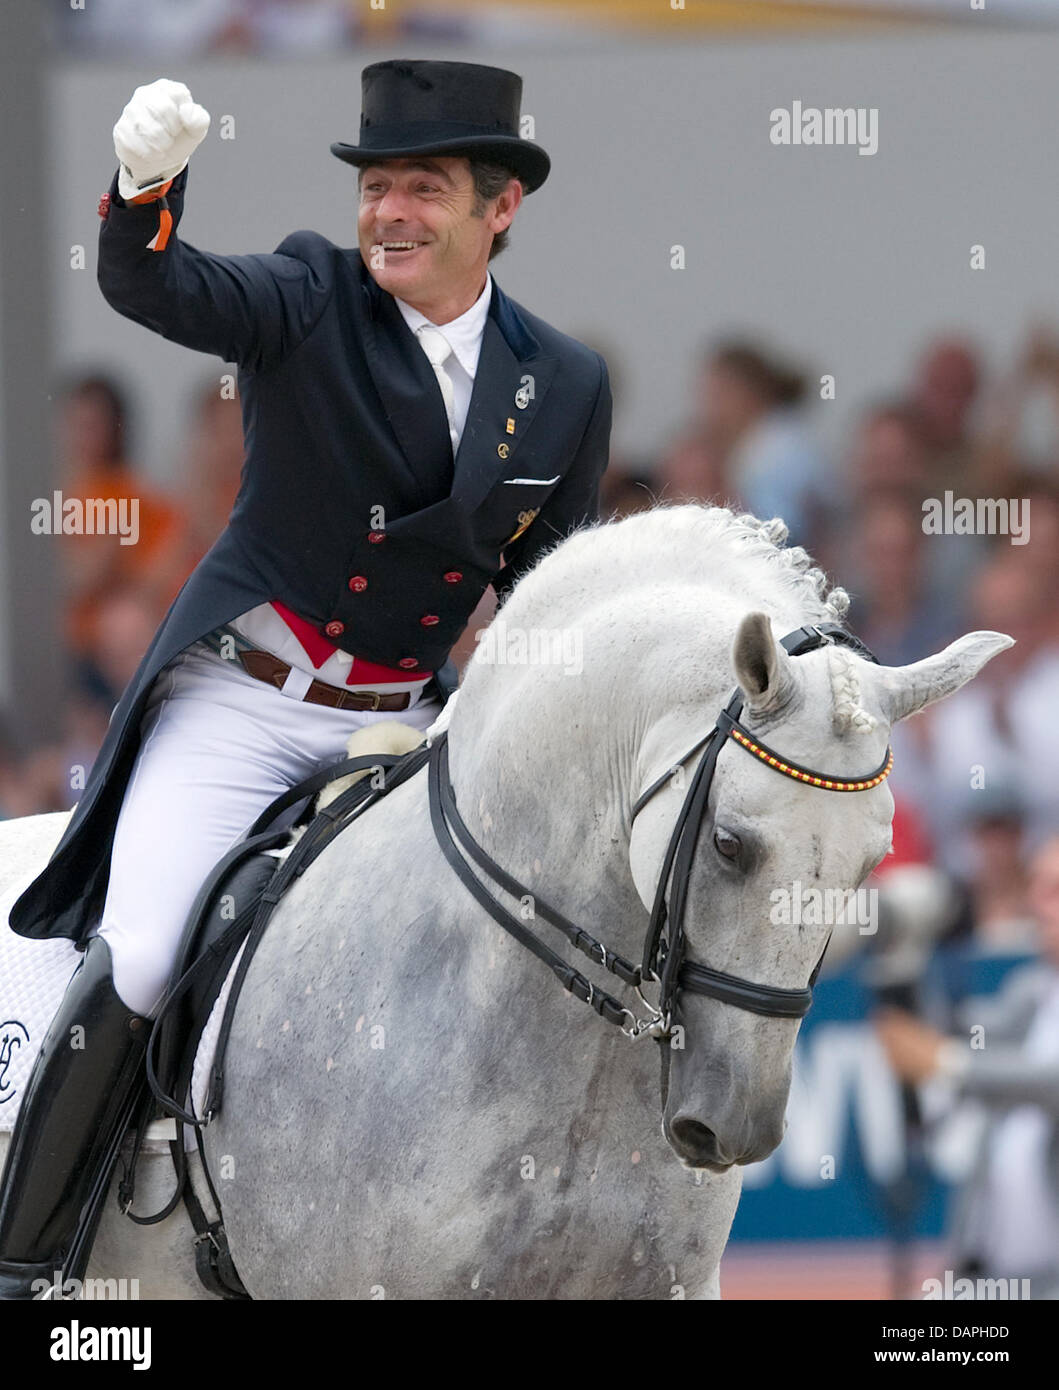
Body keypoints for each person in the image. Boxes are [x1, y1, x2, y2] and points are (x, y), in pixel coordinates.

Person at [0, 60, 612, 1298]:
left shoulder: (565, 383)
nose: (388, 210)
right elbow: (155, 281)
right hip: (246, 706)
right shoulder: (310, 294)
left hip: (408, 729)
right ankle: (31, 1261)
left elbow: (555, 600)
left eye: (423, 189)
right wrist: (144, 186)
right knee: (152, 951)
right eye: (377, 184)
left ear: (501, 208)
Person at [875, 834, 1059, 1298]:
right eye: (1035, 888)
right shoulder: (1033, 988)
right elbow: (953, 1029)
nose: (1037, 905)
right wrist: (903, 960)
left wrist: (944, 1063)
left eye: (1054, 892)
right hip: (991, 1274)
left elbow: (1046, 1083)